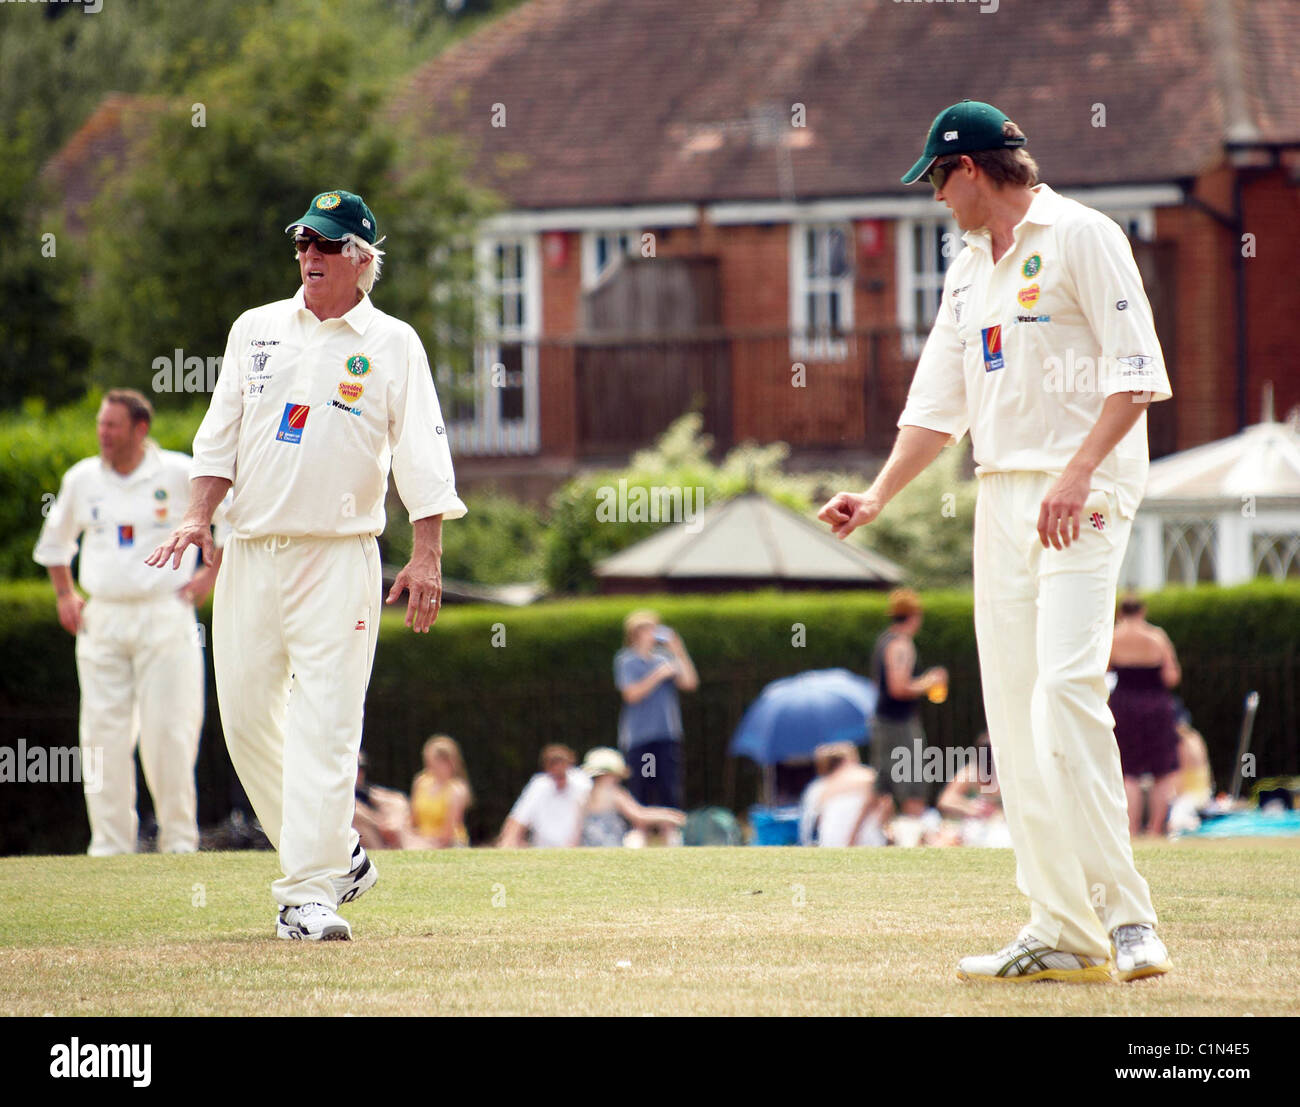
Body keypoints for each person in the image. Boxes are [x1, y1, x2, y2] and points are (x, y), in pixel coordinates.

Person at [819, 101, 1174, 982]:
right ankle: (1062, 927)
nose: (935, 199)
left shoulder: (1084, 235)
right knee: (1015, 718)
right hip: (1004, 494)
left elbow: (1138, 373)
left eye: (937, 180)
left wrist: (1079, 471)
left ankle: (1130, 921)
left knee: (1063, 687)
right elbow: (937, 409)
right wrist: (875, 497)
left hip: (1082, 492)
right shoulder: (967, 267)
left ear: (970, 168)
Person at [148, 189, 467, 941]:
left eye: (325, 245)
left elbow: (423, 454)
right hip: (251, 550)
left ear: (362, 258)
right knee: (248, 719)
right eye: (302, 243)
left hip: (340, 555)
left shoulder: (394, 343)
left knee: (327, 723)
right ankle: (339, 851)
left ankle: (305, 895)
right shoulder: (255, 329)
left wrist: (427, 555)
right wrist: (197, 514)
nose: (309, 256)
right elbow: (216, 436)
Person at [33, 389, 223, 856]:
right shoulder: (82, 479)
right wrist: (64, 594)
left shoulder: (179, 472)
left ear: (140, 429)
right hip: (104, 617)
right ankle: (110, 847)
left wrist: (210, 574)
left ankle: (178, 843)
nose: (103, 433)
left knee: (170, 731)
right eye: (101, 424)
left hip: (166, 612)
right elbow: (55, 545)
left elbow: (232, 521)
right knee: (101, 735)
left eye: (112, 425)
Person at [868, 589, 948, 816]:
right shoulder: (901, 645)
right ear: (914, 615)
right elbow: (898, 687)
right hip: (899, 724)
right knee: (913, 786)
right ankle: (913, 839)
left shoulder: (884, 641)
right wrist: (929, 681)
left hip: (884, 722)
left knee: (883, 787)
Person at [1109, 594, 1182, 837]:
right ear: (1142, 611)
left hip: (1124, 706)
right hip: (1155, 705)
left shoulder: (1113, 637)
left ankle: (1130, 829)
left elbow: (1102, 670)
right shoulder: (1156, 636)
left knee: (1128, 770)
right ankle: (1156, 830)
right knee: (1161, 770)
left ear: (1120, 612)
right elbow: (1171, 677)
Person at [614, 611, 699, 810]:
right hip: (641, 738)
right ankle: (643, 833)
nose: (654, 633)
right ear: (636, 633)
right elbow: (631, 695)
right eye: (649, 629)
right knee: (643, 784)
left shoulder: (665, 658)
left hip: (667, 736)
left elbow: (690, 683)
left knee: (669, 788)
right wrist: (658, 676)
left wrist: (678, 651)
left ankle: (670, 834)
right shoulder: (627, 660)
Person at [578, 747, 686, 847]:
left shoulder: (587, 794)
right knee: (637, 834)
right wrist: (669, 816)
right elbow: (639, 815)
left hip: (590, 844)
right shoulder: (614, 793)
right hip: (612, 844)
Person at [499, 745, 592, 848]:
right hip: (544, 848)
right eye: (554, 769)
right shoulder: (539, 785)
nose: (558, 771)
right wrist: (508, 842)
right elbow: (518, 819)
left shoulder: (582, 783)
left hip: (580, 845)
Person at [798, 742, 889, 847]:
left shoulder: (818, 787)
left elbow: (815, 820)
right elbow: (884, 803)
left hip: (830, 839)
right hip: (864, 837)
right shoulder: (867, 776)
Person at [937, 733, 1012, 847]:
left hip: (1002, 826)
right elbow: (945, 800)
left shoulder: (1009, 775)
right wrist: (970, 807)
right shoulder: (970, 773)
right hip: (972, 827)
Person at [409, 735, 471, 848]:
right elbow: (412, 820)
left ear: (447, 762)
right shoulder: (421, 782)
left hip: (450, 843)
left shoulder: (457, 789)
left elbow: (448, 833)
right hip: (420, 839)